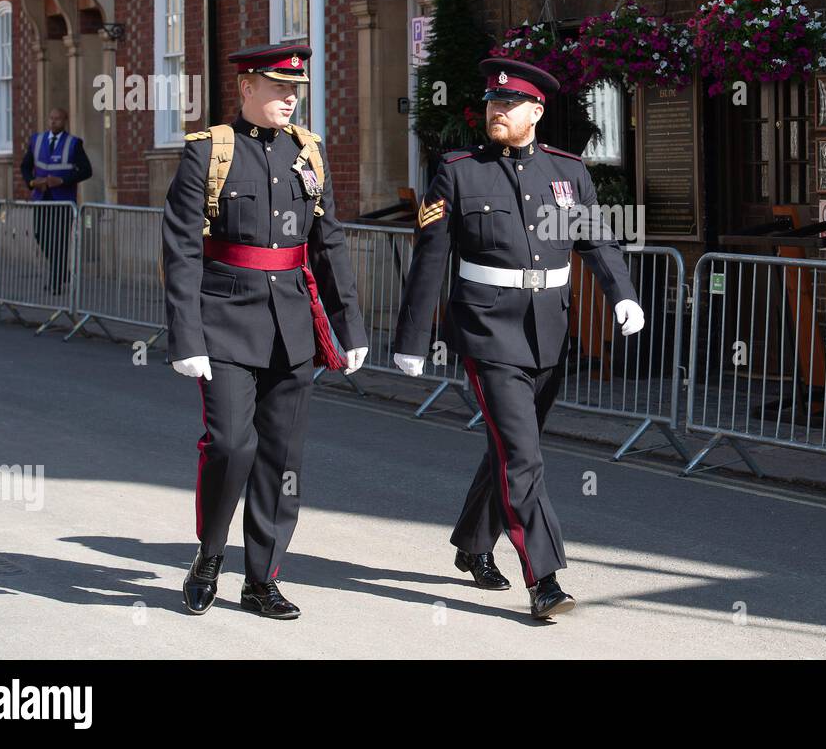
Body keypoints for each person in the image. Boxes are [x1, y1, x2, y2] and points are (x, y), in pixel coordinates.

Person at [392, 57, 645, 620]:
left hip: (548, 327)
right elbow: (430, 259)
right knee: (524, 455)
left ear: (536, 110)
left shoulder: (568, 172)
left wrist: (622, 293)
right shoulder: (458, 172)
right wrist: (412, 338)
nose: (496, 111)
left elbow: (596, 240)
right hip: (487, 329)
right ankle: (545, 578)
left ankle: (472, 541)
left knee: (509, 449)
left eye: (508, 104)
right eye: (491, 103)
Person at [162, 43, 368, 619]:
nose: (290, 98)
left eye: (295, 89)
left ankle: (262, 578)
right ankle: (209, 554)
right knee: (230, 444)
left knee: (282, 458)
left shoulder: (309, 154)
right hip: (224, 320)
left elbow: (328, 243)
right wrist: (186, 336)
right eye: (279, 88)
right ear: (246, 87)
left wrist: (350, 324)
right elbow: (180, 248)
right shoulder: (210, 153)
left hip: (292, 325)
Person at [19, 107, 92, 292]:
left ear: (65, 120)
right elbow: (25, 167)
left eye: (57, 119)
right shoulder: (36, 140)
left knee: (59, 240)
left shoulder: (74, 143)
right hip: (41, 198)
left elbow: (86, 171)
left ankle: (55, 282)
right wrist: (32, 182)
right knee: (40, 235)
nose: (53, 122)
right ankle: (62, 271)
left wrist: (62, 180)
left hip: (63, 199)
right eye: (51, 118)